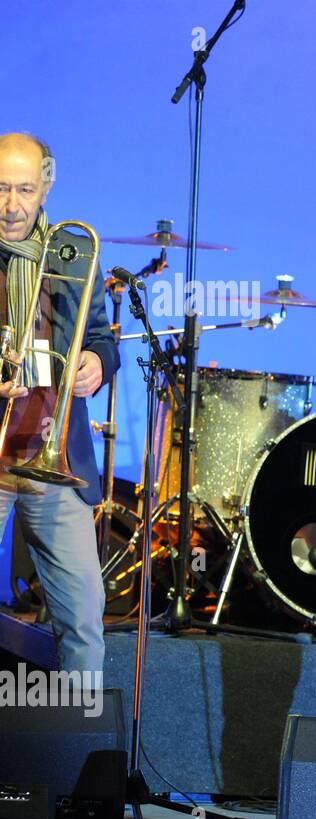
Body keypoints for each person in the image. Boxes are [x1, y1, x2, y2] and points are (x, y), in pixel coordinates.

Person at [0, 132, 120, 677]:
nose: (11, 206)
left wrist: (99, 362)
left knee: (83, 618)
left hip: (54, 459)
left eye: (25, 189)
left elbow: (101, 337)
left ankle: (82, 751)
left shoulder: (76, 253)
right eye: (0, 189)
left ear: (47, 187)